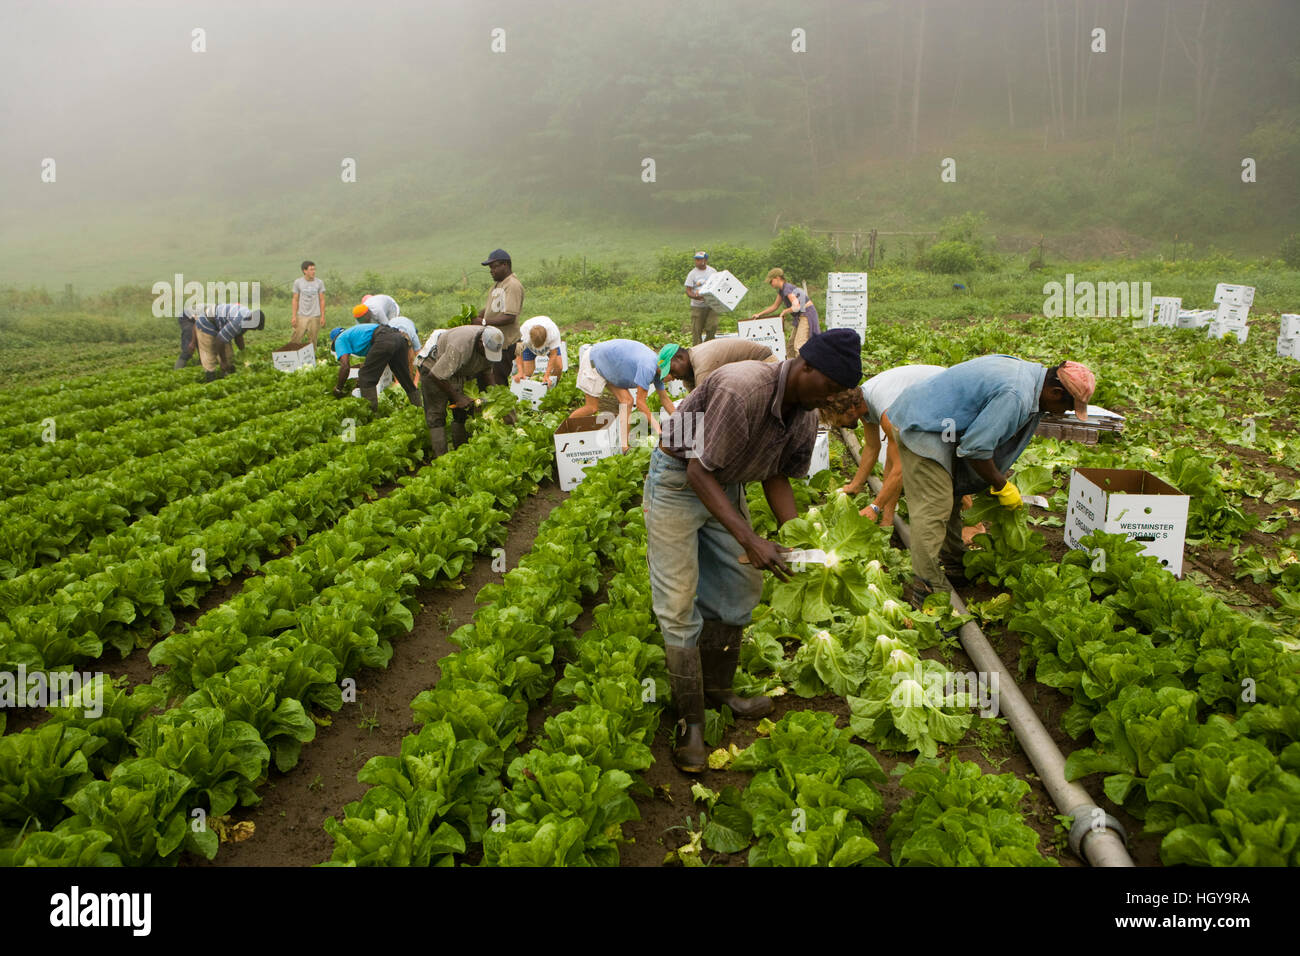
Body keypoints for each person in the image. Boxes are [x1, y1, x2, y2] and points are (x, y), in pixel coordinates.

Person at [647, 329, 862, 773]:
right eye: (830, 388)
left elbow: (776, 476)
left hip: (724, 482)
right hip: (678, 479)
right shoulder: (741, 387)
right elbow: (696, 473)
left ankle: (719, 690)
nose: (833, 398)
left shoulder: (803, 413)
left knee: (739, 586)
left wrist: (800, 540)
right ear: (807, 368)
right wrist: (751, 538)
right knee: (678, 601)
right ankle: (692, 725)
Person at [887, 357, 1096, 604]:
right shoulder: (1016, 395)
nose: (1063, 413)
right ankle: (926, 590)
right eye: (1067, 407)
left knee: (950, 497)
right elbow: (976, 448)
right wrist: (1001, 484)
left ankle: (954, 563)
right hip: (924, 425)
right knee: (934, 507)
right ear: (1055, 391)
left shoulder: (1030, 376)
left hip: (940, 424)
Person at [824, 364, 947, 524]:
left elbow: (899, 467)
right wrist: (856, 484)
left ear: (851, 410)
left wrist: (875, 507)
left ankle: (973, 525)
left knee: (942, 467)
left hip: (943, 396)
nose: (841, 426)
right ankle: (888, 518)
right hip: (927, 397)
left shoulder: (886, 414)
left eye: (840, 422)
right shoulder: (863, 401)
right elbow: (872, 447)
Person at [569, 339, 677, 453]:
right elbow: (640, 404)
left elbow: (665, 400)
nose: (674, 378)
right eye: (672, 375)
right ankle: (567, 430)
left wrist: (681, 421)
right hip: (594, 360)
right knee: (591, 407)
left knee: (627, 401)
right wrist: (659, 431)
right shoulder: (648, 367)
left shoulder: (658, 370)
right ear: (664, 369)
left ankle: (624, 448)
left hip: (611, 365)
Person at [416, 325, 506, 458]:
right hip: (433, 367)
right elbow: (436, 375)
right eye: (486, 351)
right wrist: (457, 397)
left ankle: (462, 454)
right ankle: (441, 459)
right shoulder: (461, 346)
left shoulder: (491, 344)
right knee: (436, 415)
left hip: (458, 370)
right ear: (481, 342)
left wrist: (493, 395)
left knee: (464, 412)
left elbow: (487, 372)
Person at [329, 322, 422, 412]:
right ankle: (419, 408)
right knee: (404, 377)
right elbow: (375, 362)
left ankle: (370, 413)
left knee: (365, 377)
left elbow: (345, 366)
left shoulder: (340, 339)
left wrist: (338, 388)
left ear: (334, 340)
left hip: (384, 338)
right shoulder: (355, 334)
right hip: (399, 337)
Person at [657, 337, 777, 392]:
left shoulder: (702, 363)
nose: (672, 377)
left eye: (672, 370)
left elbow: (703, 404)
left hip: (766, 365)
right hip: (748, 375)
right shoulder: (690, 370)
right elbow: (692, 404)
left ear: (680, 358)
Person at [478, 249, 525, 383]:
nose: (491, 271)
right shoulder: (497, 285)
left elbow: (510, 316)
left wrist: (483, 322)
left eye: (494, 267)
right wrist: (475, 317)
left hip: (504, 343)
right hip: (492, 341)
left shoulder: (513, 285)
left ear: (505, 265)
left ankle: (503, 403)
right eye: (490, 268)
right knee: (487, 378)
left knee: (498, 380)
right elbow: (490, 309)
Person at [751, 267, 821, 354]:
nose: (770, 284)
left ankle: (803, 366)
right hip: (800, 315)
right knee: (790, 346)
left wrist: (785, 311)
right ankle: (791, 366)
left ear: (777, 278)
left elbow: (797, 306)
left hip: (807, 314)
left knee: (799, 345)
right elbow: (774, 306)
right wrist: (759, 314)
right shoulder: (782, 290)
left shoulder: (787, 288)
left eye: (771, 281)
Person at [353, 303, 422, 388]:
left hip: (407, 324)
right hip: (392, 332)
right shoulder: (387, 337)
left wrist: (416, 381)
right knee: (394, 359)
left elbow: (421, 359)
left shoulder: (413, 336)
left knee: (410, 359)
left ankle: (409, 381)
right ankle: (399, 381)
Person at [195, 303, 263, 381]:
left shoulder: (247, 317)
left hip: (219, 325)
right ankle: (210, 379)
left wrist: (244, 353)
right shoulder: (238, 321)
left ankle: (225, 376)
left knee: (229, 356)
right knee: (210, 354)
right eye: (255, 327)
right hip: (206, 323)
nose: (254, 330)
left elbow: (238, 336)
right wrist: (223, 362)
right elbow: (219, 340)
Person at [514, 315, 563, 385]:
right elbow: (518, 353)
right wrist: (520, 371)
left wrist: (547, 375)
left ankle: (553, 386)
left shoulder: (553, 333)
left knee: (559, 367)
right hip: (529, 348)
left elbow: (553, 354)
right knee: (527, 373)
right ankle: (524, 392)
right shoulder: (523, 332)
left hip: (548, 347)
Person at [683, 251, 719, 345]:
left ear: (705, 260)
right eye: (696, 259)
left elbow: (718, 285)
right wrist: (695, 296)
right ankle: (697, 350)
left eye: (699, 259)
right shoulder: (692, 274)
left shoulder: (712, 271)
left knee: (712, 326)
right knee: (696, 330)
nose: (697, 261)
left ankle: (709, 346)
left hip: (711, 305)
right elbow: (688, 290)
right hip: (697, 306)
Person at [292, 261, 326, 345]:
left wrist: (322, 316)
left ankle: (311, 356)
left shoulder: (319, 282)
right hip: (302, 315)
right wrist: (294, 316)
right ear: (305, 271)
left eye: (314, 269)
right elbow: (295, 299)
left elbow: (322, 300)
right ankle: (293, 355)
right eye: (311, 269)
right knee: (296, 338)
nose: (313, 271)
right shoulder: (298, 282)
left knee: (313, 340)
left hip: (315, 315)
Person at [175, 305, 202, 369]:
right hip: (186, 318)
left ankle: (202, 362)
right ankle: (178, 369)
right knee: (189, 347)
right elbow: (197, 323)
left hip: (195, 317)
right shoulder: (207, 314)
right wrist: (193, 342)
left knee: (203, 343)